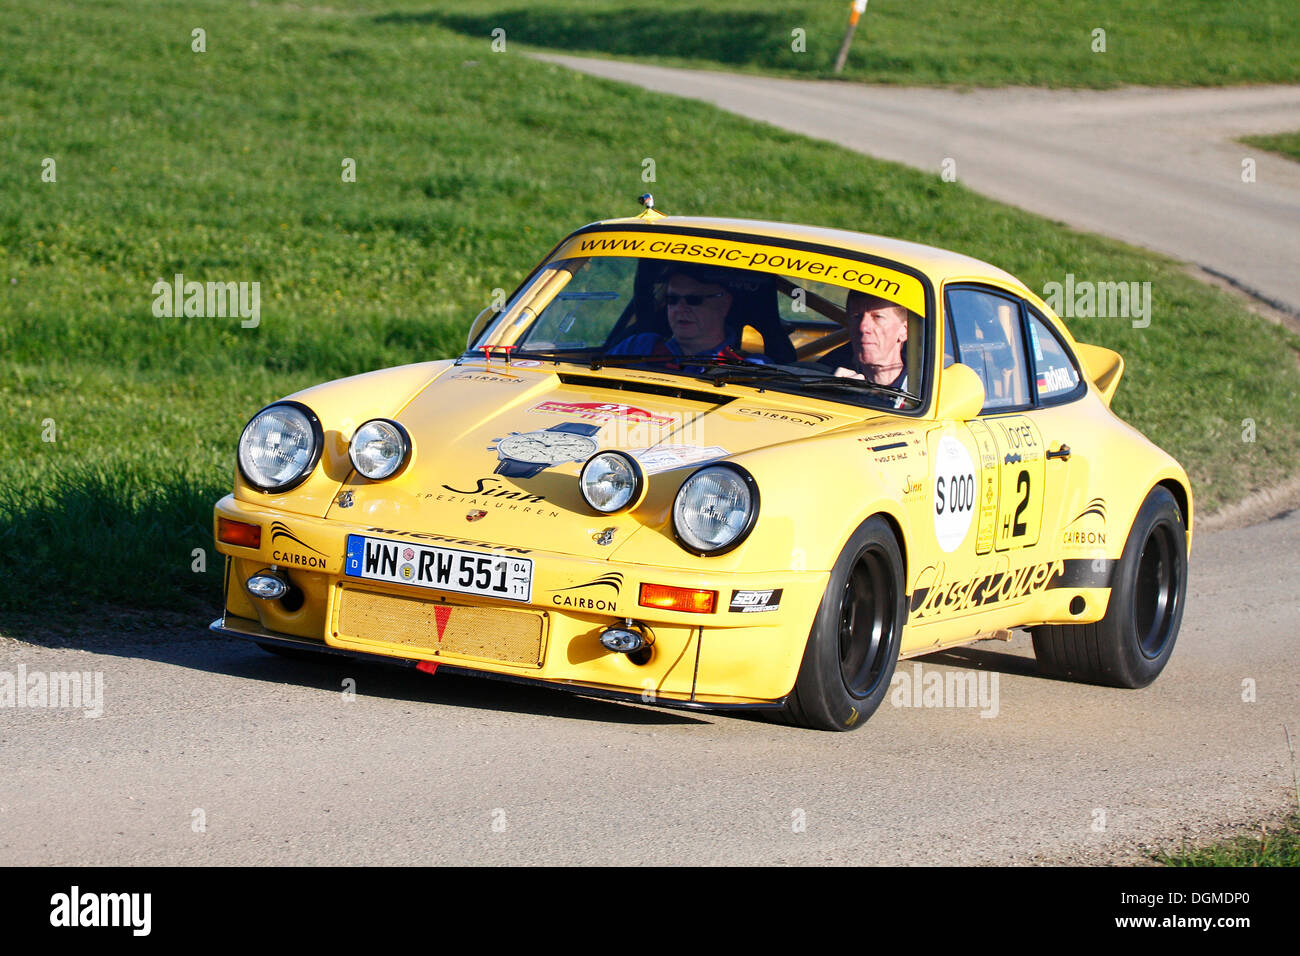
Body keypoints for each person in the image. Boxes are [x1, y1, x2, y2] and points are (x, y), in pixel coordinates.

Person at [609, 265, 762, 364]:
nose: (680, 309)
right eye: (672, 300)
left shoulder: (748, 365)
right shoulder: (639, 346)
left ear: (724, 304)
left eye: (693, 300)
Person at [821, 290, 910, 391]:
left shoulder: (925, 390)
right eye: (856, 317)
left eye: (877, 317)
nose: (863, 327)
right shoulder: (826, 377)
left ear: (904, 331)